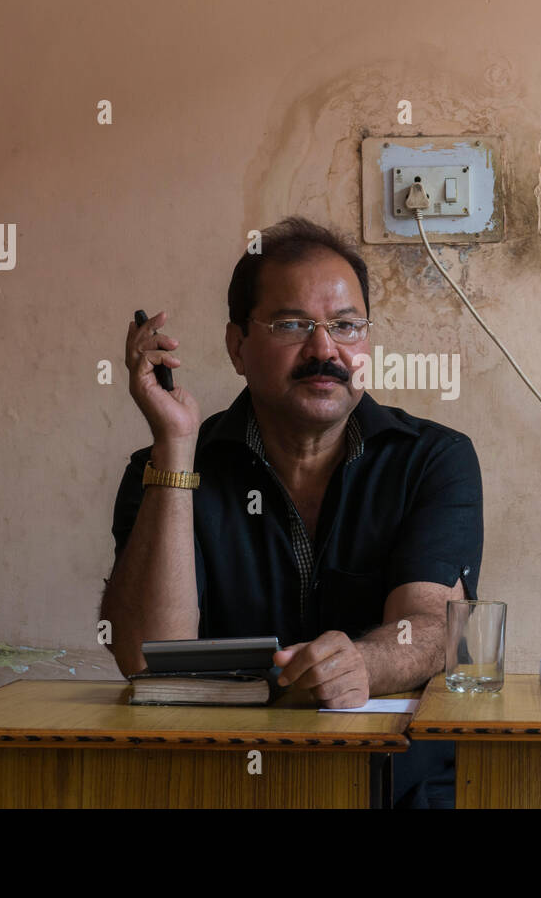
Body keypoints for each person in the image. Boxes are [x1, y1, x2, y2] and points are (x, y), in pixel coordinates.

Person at [100, 216, 483, 807]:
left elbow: (435, 626)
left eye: (346, 326)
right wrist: (176, 446)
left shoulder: (432, 459)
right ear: (237, 347)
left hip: (394, 782)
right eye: (292, 325)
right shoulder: (162, 473)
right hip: (221, 783)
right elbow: (146, 657)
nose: (325, 349)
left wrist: (363, 663)